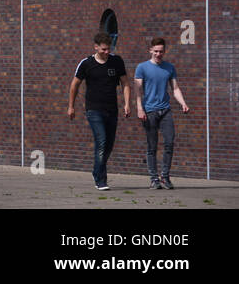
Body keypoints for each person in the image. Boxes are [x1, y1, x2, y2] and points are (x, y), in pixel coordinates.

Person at [67, 31, 130, 190]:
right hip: (94, 110)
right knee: (101, 141)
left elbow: (125, 83)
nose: (107, 52)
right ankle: (101, 180)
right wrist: (71, 106)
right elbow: (74, 85)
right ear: (96, 47)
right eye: (103, 49)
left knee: (108, 145)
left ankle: (97, 171)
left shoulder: (116, 62)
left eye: (109, 49)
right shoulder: (86, 63)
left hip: (112, 110)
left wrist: (127, 104)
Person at [135, 37, 189, 190]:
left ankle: (165, 177)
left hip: (165, 110)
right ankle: (154, 179)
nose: (159, 54)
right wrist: (139, 108)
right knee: (152, 146)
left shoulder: (169, 67)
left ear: (165, 51)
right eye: (156, 51)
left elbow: (175, 89)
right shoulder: (142, 67)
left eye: (161, 51)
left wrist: (183, 103)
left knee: (169, 142)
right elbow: (137, 90)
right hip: (149, 111)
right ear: (150, 50)